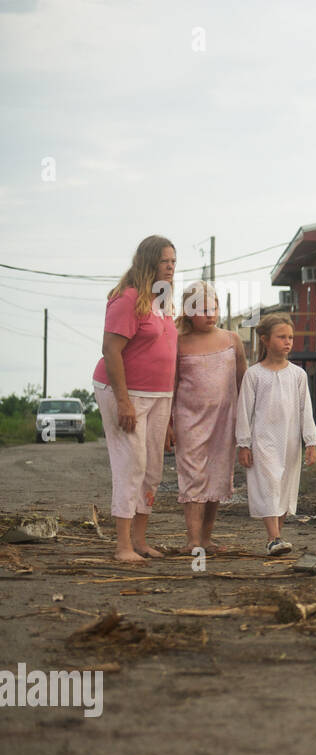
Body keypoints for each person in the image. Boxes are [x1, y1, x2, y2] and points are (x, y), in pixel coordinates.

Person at [91, 235, 179, 563]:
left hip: (159, 396)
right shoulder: (127, 299)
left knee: (153, 469)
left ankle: (141, 541)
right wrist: (123, 401)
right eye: (164, 261)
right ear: (148, 262)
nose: (171, 267)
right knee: (132, 464)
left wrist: (169, 417)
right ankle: (123, 546)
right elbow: (111, 351)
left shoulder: (162, 302)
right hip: (125, 393)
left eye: (173, 261)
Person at [236, 314, 316, 555]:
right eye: (281, 337)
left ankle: (277, 538)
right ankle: (273, 537)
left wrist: (310, 442)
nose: (288, 342)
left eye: (290, 337)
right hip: (263, 440)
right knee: (269, 485)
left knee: (284, 487)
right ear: (265, 340)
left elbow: (306, 410)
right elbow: (244, 411)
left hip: (291, 442)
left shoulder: (298, 375)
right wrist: (244, 444)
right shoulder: (254, 375)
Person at [173, 280, 246, 554]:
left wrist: (246, 418)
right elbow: (171, 384)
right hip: (189, 418)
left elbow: (243, 381)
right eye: (202, 308)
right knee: (194, 476)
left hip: (225, 419)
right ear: (189, 311)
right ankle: (192, 541)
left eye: (213, 306)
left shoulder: (232, 339)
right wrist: (169, 423)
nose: (210, 313)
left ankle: (206, 539)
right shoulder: (178, 342)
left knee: (217, 476)